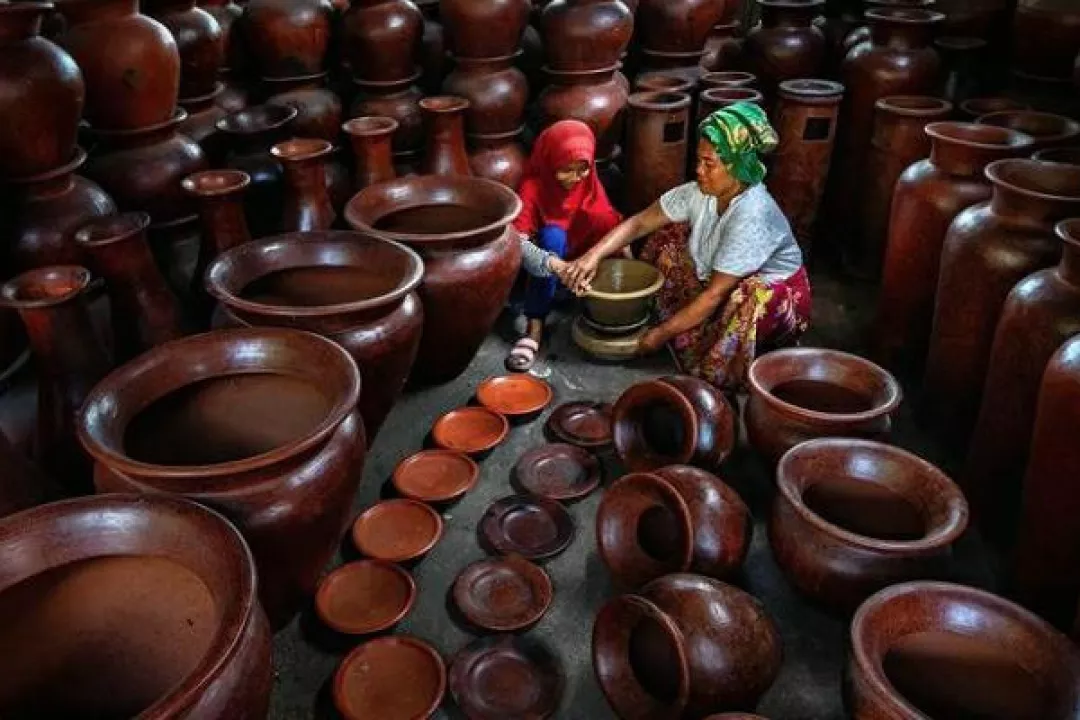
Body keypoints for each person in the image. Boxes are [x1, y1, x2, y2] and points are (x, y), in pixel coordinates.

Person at [564, 101, 811, 391]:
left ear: (738, 167)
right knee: (667, 239)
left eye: (709, 164)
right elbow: (639, 223)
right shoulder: (701, 193)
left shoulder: (752, 214)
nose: (698, 170)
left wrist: (660, 335)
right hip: (721, 282)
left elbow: (714, 296)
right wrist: (591, 257)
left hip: (777, 299)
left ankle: (721, 361)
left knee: (744, 297)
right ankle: (687, 324)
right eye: (698, 160)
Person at [506, 119, 622, 372]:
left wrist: (625, 272)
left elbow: (613, 229)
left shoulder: (588, 183)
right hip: (546, 272)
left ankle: (585, 310)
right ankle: (534, 326)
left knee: (602, 217)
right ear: (549, 161)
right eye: (565, 169)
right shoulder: (533, 187)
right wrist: (558, 266)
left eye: (582, 169)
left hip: (582, 276)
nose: (575, 178)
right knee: (553, 236)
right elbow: (517, 243)